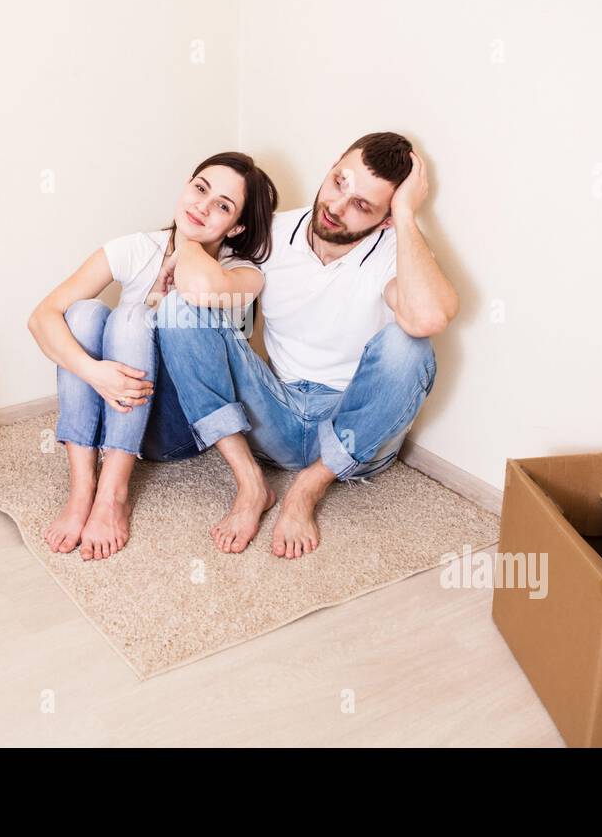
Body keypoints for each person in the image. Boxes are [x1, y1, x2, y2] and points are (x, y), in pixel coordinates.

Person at [155, 132, 459, 559]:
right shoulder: (275, 233)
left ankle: (309, 487)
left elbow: (429, 317)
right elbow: (207, 291)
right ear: (334, 164)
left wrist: (407, 217)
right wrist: (186, 245)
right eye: (339, 182)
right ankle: (250, 484)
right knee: (178, 312)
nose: (336, 206)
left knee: (411, 345)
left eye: (362, 205)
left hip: (353, 429)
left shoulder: (398, 250)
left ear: (386, 217)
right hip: (276, 413)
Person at [27, 152, 278, 560]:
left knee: (130, 318)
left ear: (237, 227)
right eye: (200, 189)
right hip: (119, 411)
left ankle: (114, 495)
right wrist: (95, 373)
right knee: (82, 314)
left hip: (179, 429)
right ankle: (82, 490)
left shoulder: (242, 273)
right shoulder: (137, 247)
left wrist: (186, 251)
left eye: (223, 206)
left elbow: (200, 290)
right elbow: (41, 317)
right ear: (186, 185)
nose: (202, 206)